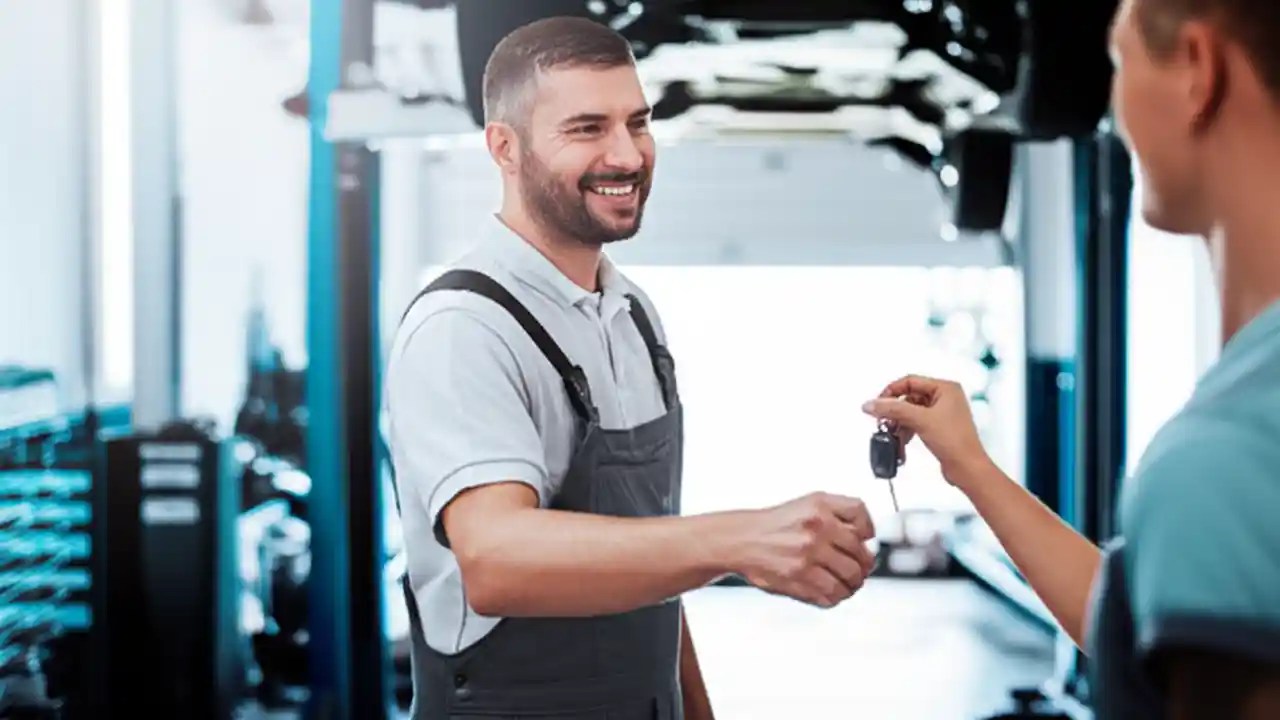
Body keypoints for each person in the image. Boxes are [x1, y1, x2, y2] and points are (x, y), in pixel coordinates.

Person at [384, 16, 878, 720]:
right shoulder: (464, 328)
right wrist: (739, 539)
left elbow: (651, 567)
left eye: (637, 122)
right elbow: (496, 560)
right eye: (586, 129)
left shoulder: (631, 314)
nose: (627, 154)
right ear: (505, 148)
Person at [862, 0, 1280, 717]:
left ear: (1198, 72)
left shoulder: (1227, 454)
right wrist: (972, 468)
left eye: (1118, 63)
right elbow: (1131, 626)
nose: (1112, 109)